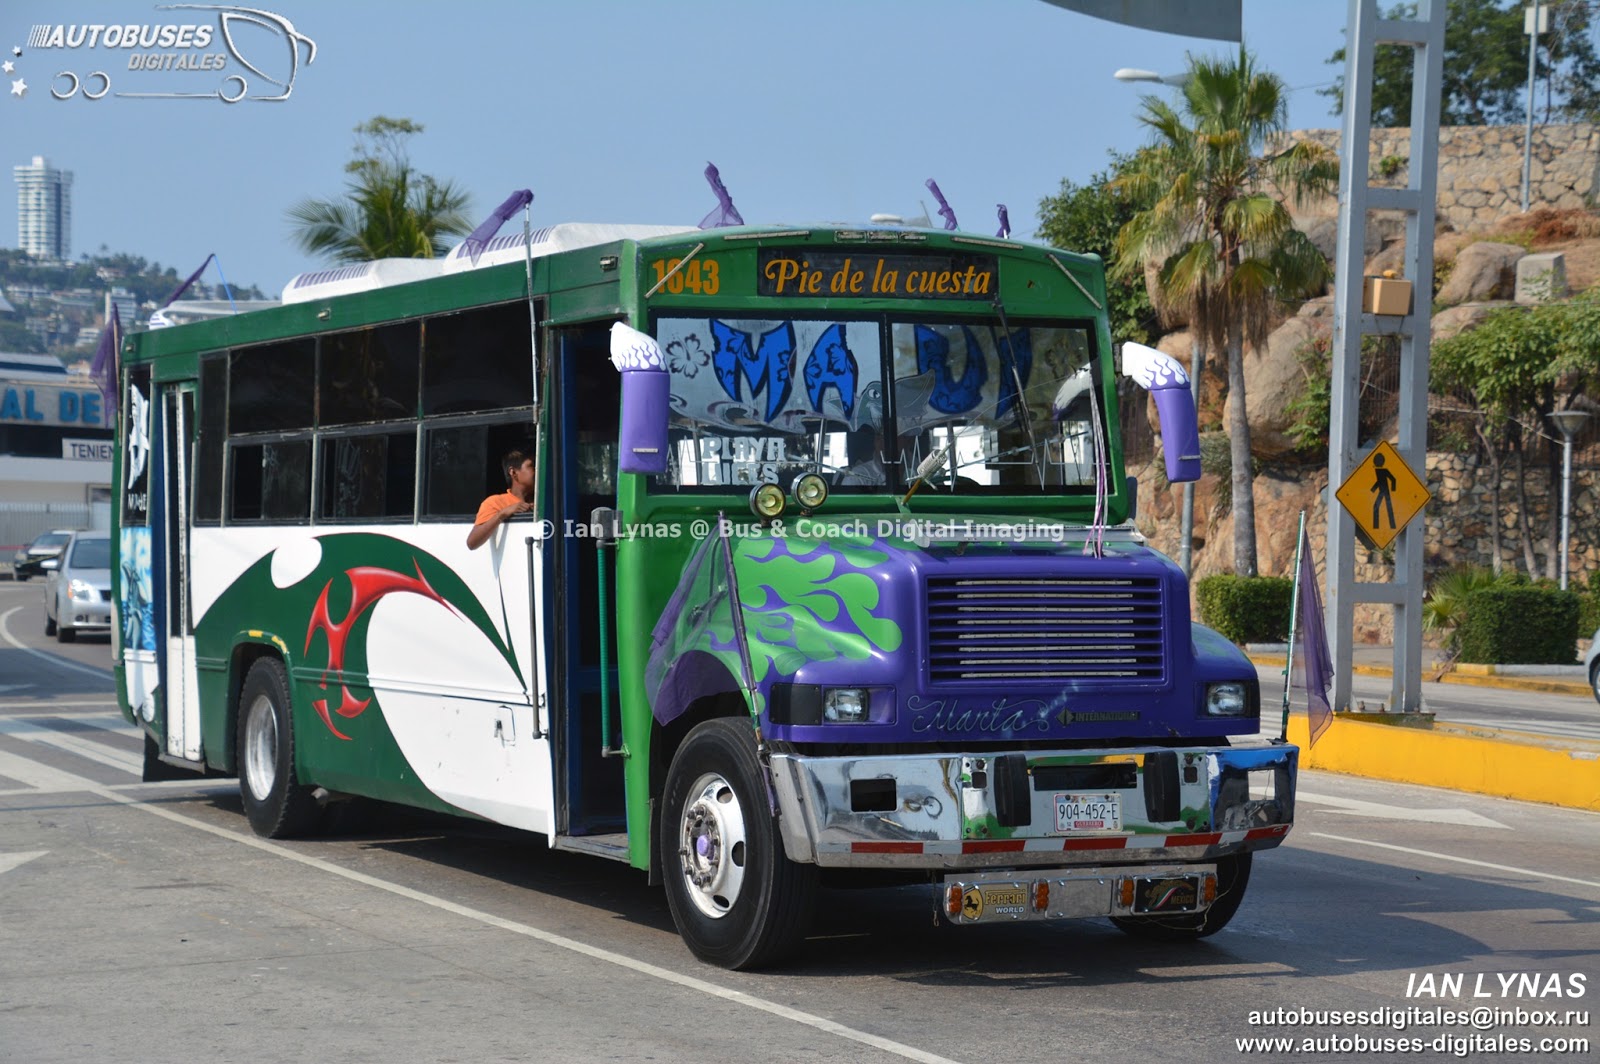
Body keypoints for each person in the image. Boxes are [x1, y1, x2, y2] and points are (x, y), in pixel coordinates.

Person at [467, 449, 535, 550]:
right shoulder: (495, 502)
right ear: (513, 472)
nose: (538, 470)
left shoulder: (543, 501)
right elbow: (472, 543)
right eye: (532, 466)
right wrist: (502, 514)